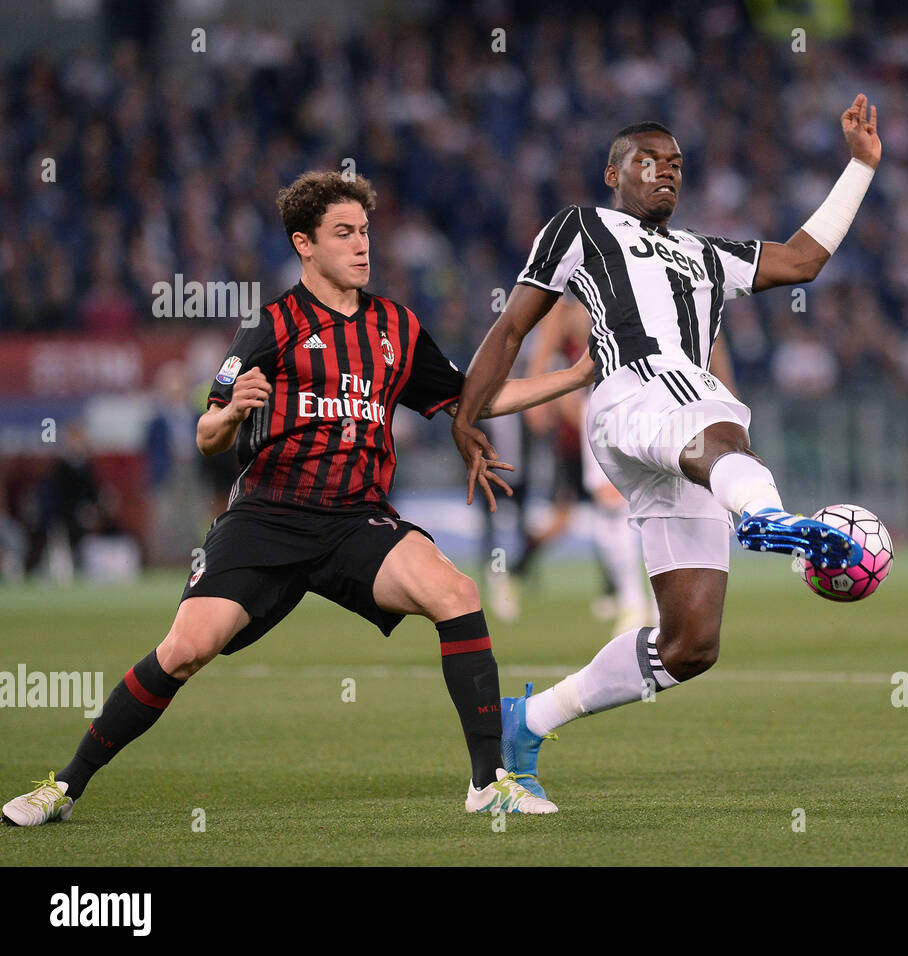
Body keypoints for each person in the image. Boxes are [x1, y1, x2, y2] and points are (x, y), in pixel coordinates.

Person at [3, 171, 592, 826]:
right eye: (344, 234)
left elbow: (474, 398)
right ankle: (65, 787)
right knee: (184, 651)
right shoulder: (268, 325)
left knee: (456, 594)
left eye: (365, 232)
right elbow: (206, 432)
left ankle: (489, 781)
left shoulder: (396, 326)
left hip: (355, 521)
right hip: (267, 515)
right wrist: (230, 418)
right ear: (305, 245)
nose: (362, 246)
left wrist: (572, 375)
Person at [450, 96, 882, 802]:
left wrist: (860, 167)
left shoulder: (707, 254)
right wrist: (468, 414)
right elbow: (510, 331)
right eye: (648, 161)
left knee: (689, 646)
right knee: (718, 409)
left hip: (683, 437)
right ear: (613, 172)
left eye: (676, 165)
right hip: (630, 396)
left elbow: (803, 261)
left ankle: (526, 722)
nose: (665, 174)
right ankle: (765, 514)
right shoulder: (582, 227)